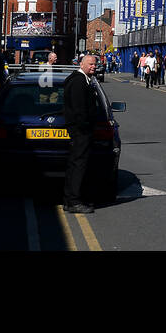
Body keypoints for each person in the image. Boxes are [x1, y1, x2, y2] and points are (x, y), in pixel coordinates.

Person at [62, 54, 99, 214]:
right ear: (81, 64)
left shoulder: (82, 79)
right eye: (90, 64)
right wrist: (85, 127)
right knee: (78, 165)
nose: (93, 67)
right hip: (80, 131)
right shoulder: (78, 81)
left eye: (95, 64)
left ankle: (69, 200)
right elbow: (79, 109)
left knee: (74, 164)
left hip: (78, 130)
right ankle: (74, 201)